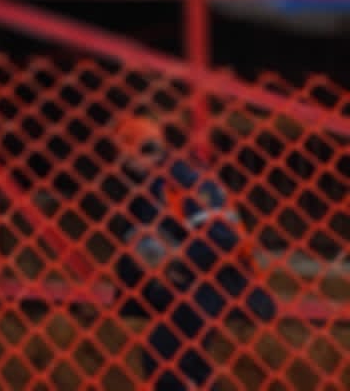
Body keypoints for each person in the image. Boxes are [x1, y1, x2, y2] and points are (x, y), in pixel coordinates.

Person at [109, 115, 276, 390]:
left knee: (164, 356)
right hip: (190, 288)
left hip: (220, 283)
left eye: (125, 157)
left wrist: (177, 260)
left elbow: (222, 239)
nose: (122, 166)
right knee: (177, 359)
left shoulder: (183, 181)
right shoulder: (148, 190)